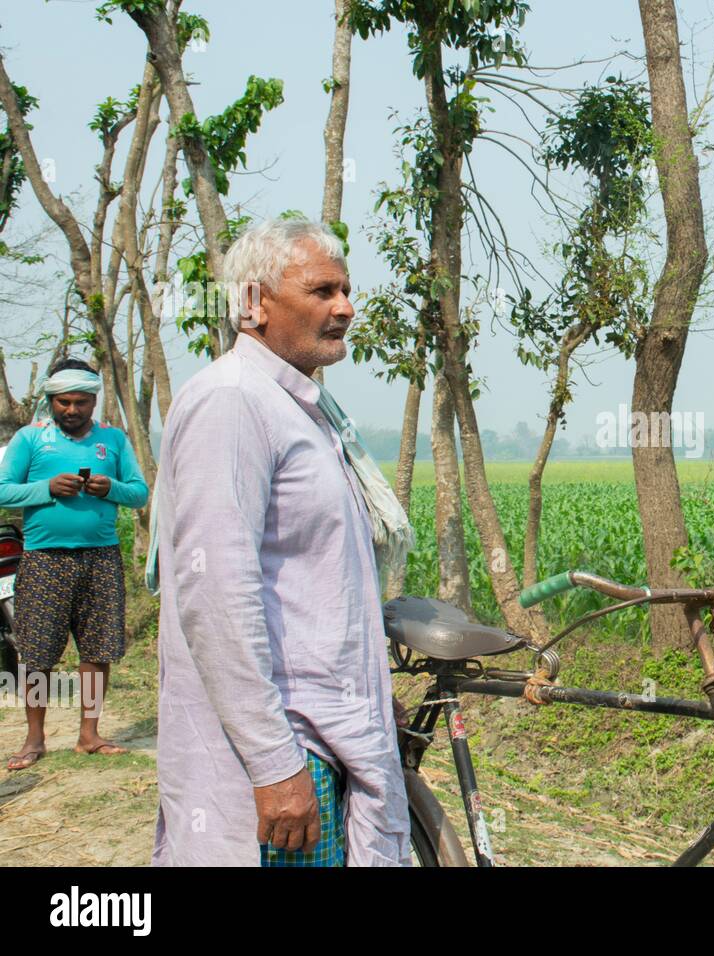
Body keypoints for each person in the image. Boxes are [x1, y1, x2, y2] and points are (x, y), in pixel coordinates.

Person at [148, 218, 414, 866]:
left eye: (346, 290)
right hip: (287, 757)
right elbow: (216, 596)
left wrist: (369, 693)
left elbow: (310, 589)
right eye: (322, 290)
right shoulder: (233, 403)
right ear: (252, 303)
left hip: (324, 737)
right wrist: (274, 765)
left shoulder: (299, 408)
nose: (345, 308)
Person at [0, 357, 149, 770]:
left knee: (98, 647)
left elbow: (139, 493)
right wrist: (45, 488)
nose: (71, 410)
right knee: (36, 653)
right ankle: (34, 739)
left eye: (81, 402)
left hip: (101, 557)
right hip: (44, 558)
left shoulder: (114, 440)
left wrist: (110, 487)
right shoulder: (30, 439)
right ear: (51, 400)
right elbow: (2, 492)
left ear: (93, 401)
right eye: (63, 402)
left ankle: (90, 734)